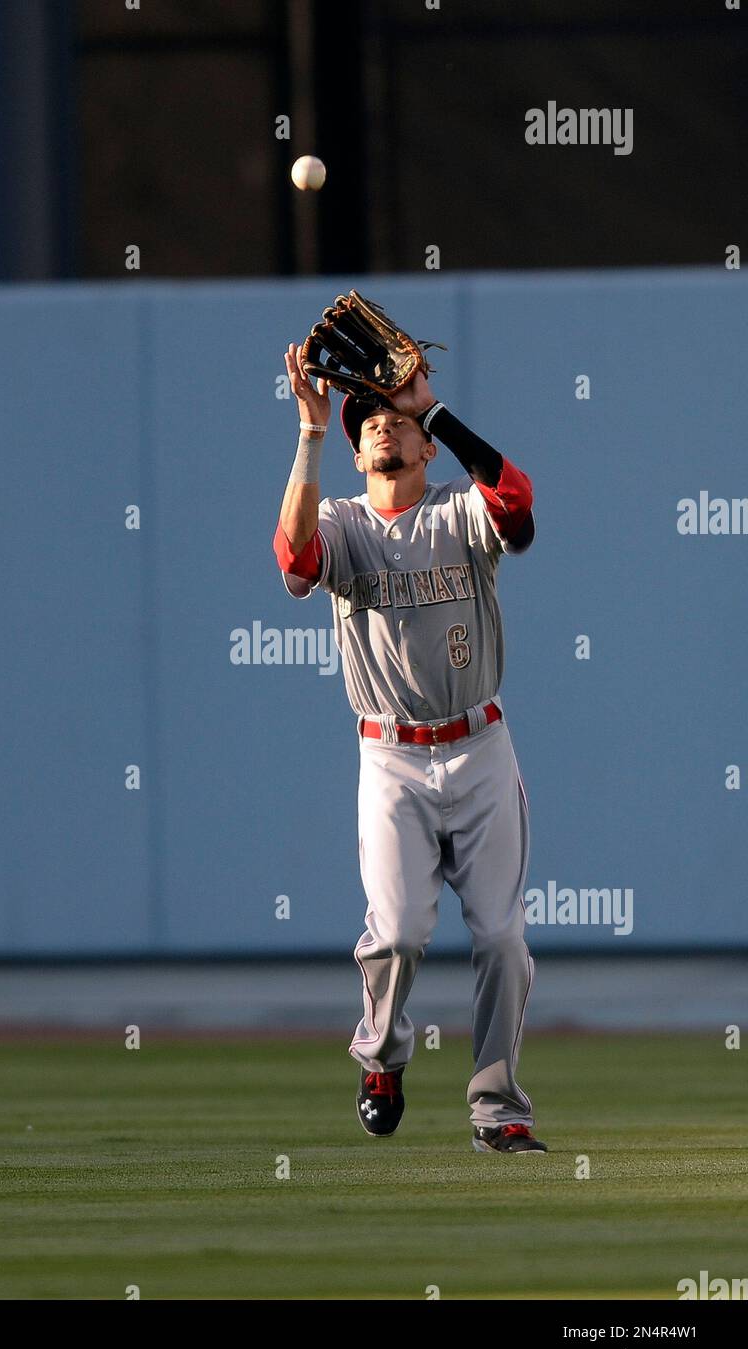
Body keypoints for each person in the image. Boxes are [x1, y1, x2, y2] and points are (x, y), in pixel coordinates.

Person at [271, 340, 547, 1155]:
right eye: (372, 424)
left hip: (480, 745)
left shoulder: (462, 512)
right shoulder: (342, 523)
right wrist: (313, 432)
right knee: (396, 930)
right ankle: (383, 1058)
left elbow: (519, 507)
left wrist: (434, 408)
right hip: (391, 756)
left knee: (500, 936)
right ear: (357, 452)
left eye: (399, 420)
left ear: (427, 442)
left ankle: (498, 1110)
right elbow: (292, 561)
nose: (385, 430)